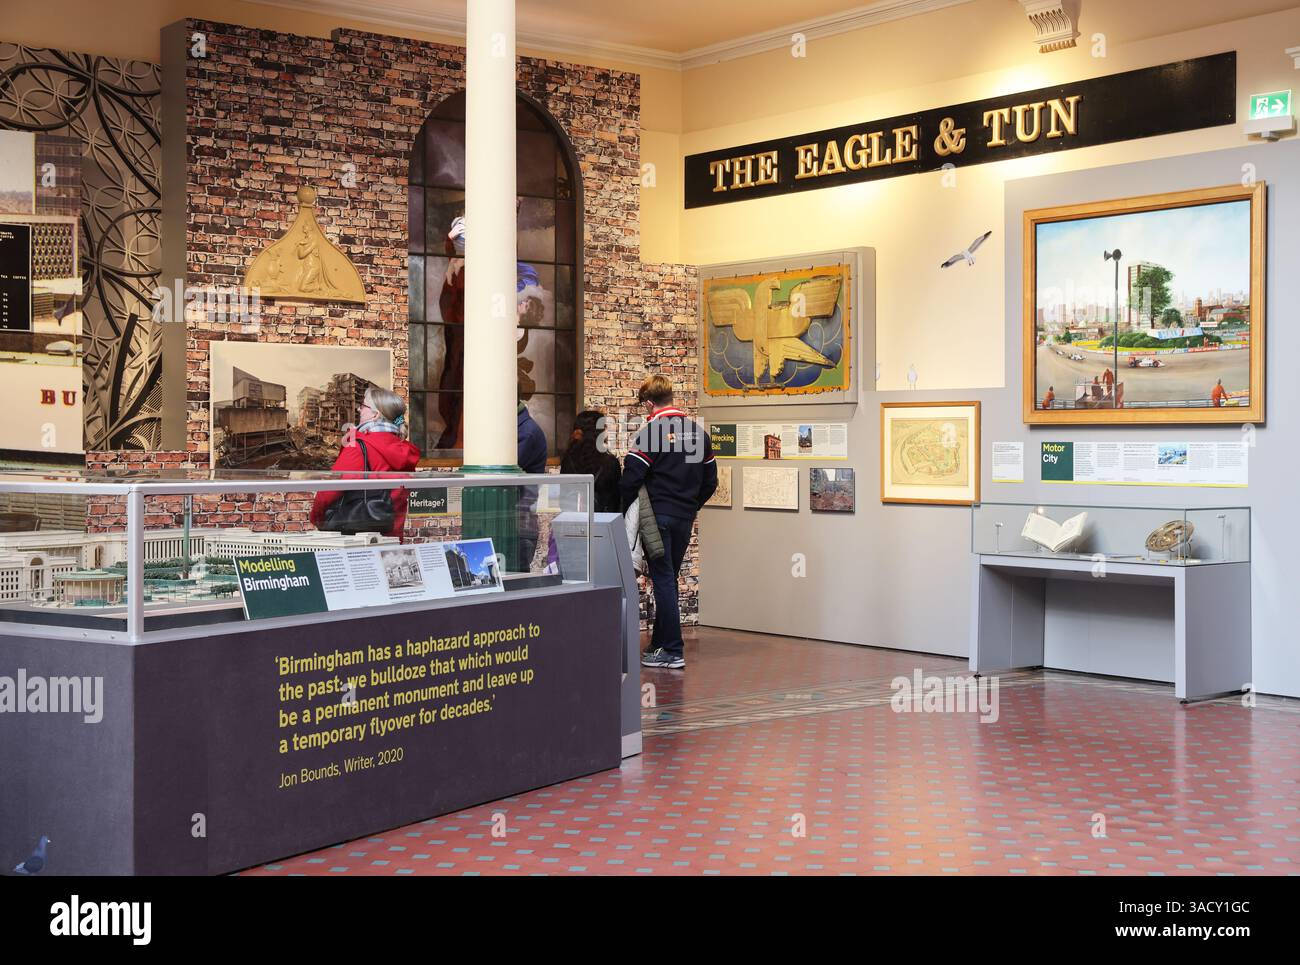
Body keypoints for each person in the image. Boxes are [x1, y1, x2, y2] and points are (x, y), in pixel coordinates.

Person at [620, 374, 718, 671]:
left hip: (657, 516)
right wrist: (690, 506)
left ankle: (673, 650)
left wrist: (623, 511)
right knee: (668, 579)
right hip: (684, 517)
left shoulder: (651, 433)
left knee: (662, 579)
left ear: (650, 403)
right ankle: (659, 644)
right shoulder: (698, 433)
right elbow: (711, 481)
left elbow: (631, 478)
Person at [310, 387, 422, 539]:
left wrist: (316, 517)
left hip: (359, 538)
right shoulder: (402, 449)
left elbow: (330, 490)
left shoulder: (359, 446)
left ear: (375, 415)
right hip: (392, 535)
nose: (359, 409)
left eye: (363, 406)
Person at [561, 410, 621, 514]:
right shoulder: (610, 462)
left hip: (574, 518)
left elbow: (563, 497)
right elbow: (616, 500)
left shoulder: (568, 460)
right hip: (603, 520)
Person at [515, 398, 548, 570]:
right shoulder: (521, 429)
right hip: (517, 517)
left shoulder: (527, 433)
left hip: (519, 519)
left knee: (516, 577)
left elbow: (507, 470)